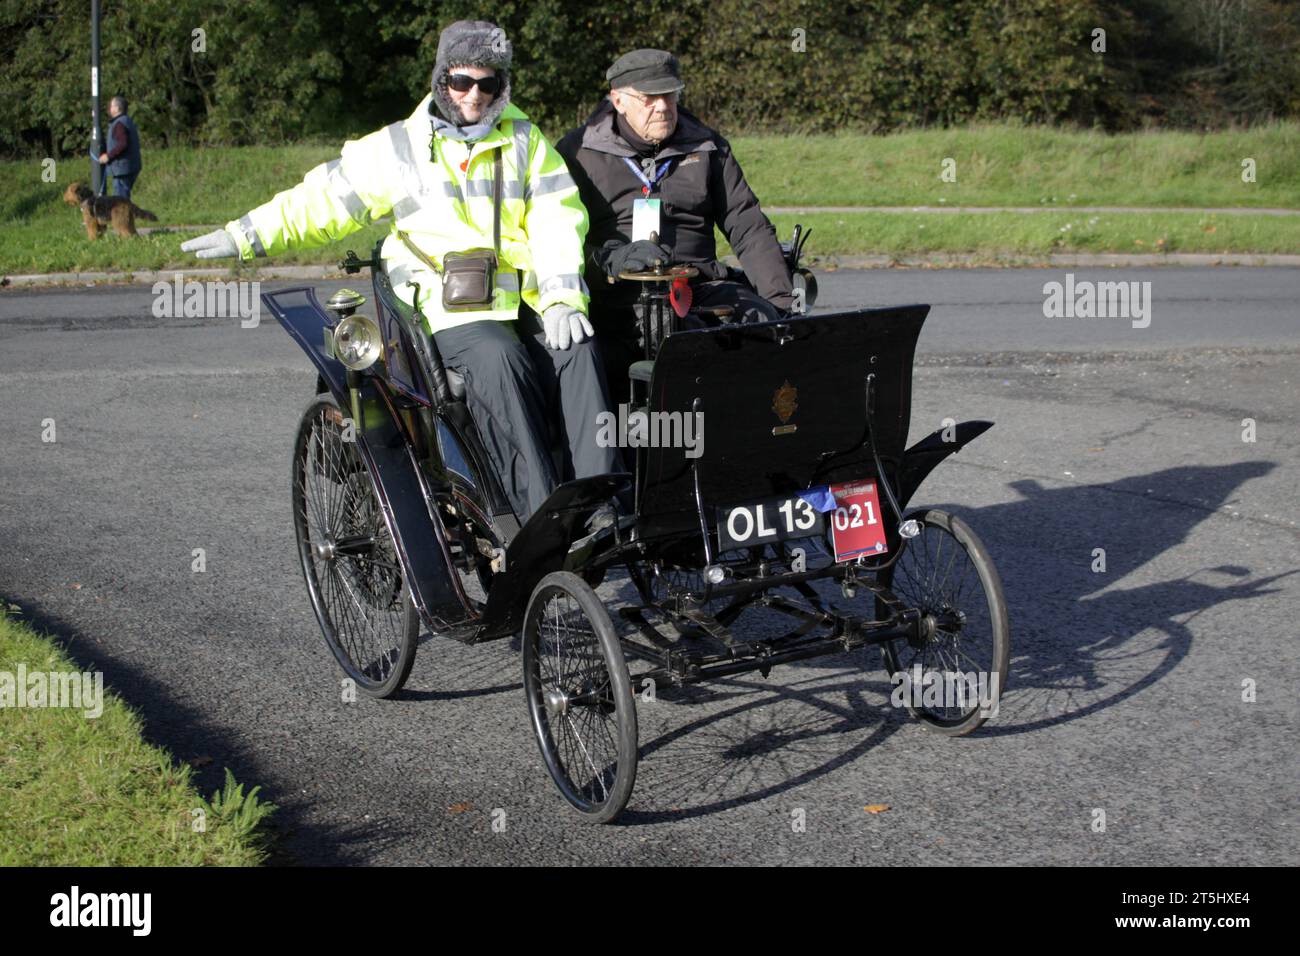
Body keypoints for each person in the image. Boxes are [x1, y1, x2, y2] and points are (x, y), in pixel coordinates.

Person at [182, 20, 620, 525]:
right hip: (449, 306)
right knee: (501, 362)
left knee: (580, 349)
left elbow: (557, 217)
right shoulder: (397, 148)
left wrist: (564, 295)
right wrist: (243, 235)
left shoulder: (526, 139)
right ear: (441, 79)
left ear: (503, 85)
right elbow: (321, 200)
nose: (474, 95)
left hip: (526, 297)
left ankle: (598, 504)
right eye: (462, 81)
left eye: (489, 83)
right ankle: (541, 521)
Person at [556, 49, 795, 400]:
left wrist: (781, 306)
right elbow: (558, 240)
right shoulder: (577, 153)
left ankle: (752, 441)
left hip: (698, 285)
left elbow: (748, 225)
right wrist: (610, 262)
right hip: (618, 294)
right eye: (649, 98)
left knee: (761, 322)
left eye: (669, 95)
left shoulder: (708, 146)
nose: (663, 106)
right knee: (660, 338)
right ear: (618, 100)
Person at [98, 95, 142, 200]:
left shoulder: (119, 124)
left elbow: (123, 144)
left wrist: (108, 156)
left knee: (120, 203)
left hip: (122, 169)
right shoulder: (127, 121)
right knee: (123, 201)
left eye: (111, 106)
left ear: (117, 108)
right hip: (130, 166)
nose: (110, 109)